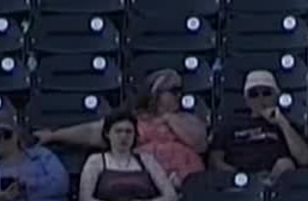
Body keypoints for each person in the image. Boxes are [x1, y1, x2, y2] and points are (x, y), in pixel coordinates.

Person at [35, 69, 206, 188]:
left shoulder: (187, 119)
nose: (179, 96)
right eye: (173, 91)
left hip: (186, 181)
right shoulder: (132, 121)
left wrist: (170, 119)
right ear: (156, 93)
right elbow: (91, 132)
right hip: (142, 181)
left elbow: (199, 143)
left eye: (180, 91)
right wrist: (54, 136)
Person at [208, 70, 308, 178]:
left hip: (273, 179)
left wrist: (282, 123)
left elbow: (305, 159)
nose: (260, 98)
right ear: (247, 100)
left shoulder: (286, 125)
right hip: (240, 179)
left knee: (285, 164)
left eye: (266, 93)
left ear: (276, 96)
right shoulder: (230, 125)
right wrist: (238, 175)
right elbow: (215, 161)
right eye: (254, 94)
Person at [77, 110, 178, 201]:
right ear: (107, 134)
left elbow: (171, 196)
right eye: (118, 131)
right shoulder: (95, 161)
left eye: (128, 131)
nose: (123, 136)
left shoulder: (147, 160)